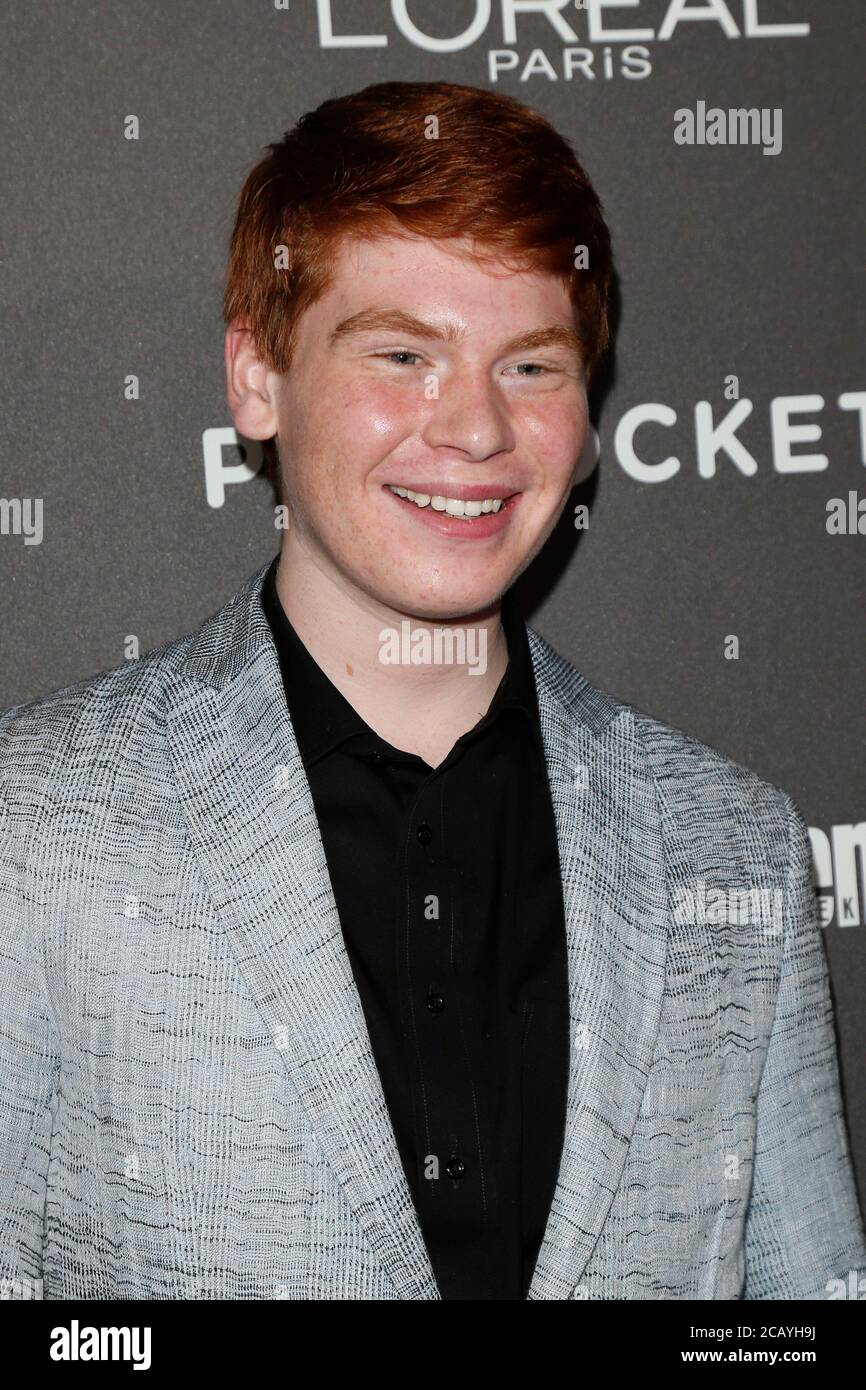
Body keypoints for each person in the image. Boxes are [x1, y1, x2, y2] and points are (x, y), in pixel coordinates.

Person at [1, 80, 863, 1301]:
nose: (473, 428)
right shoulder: (32, 827)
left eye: (530, 365)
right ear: (257, 376)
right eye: (403, 354)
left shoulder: (730, 846)